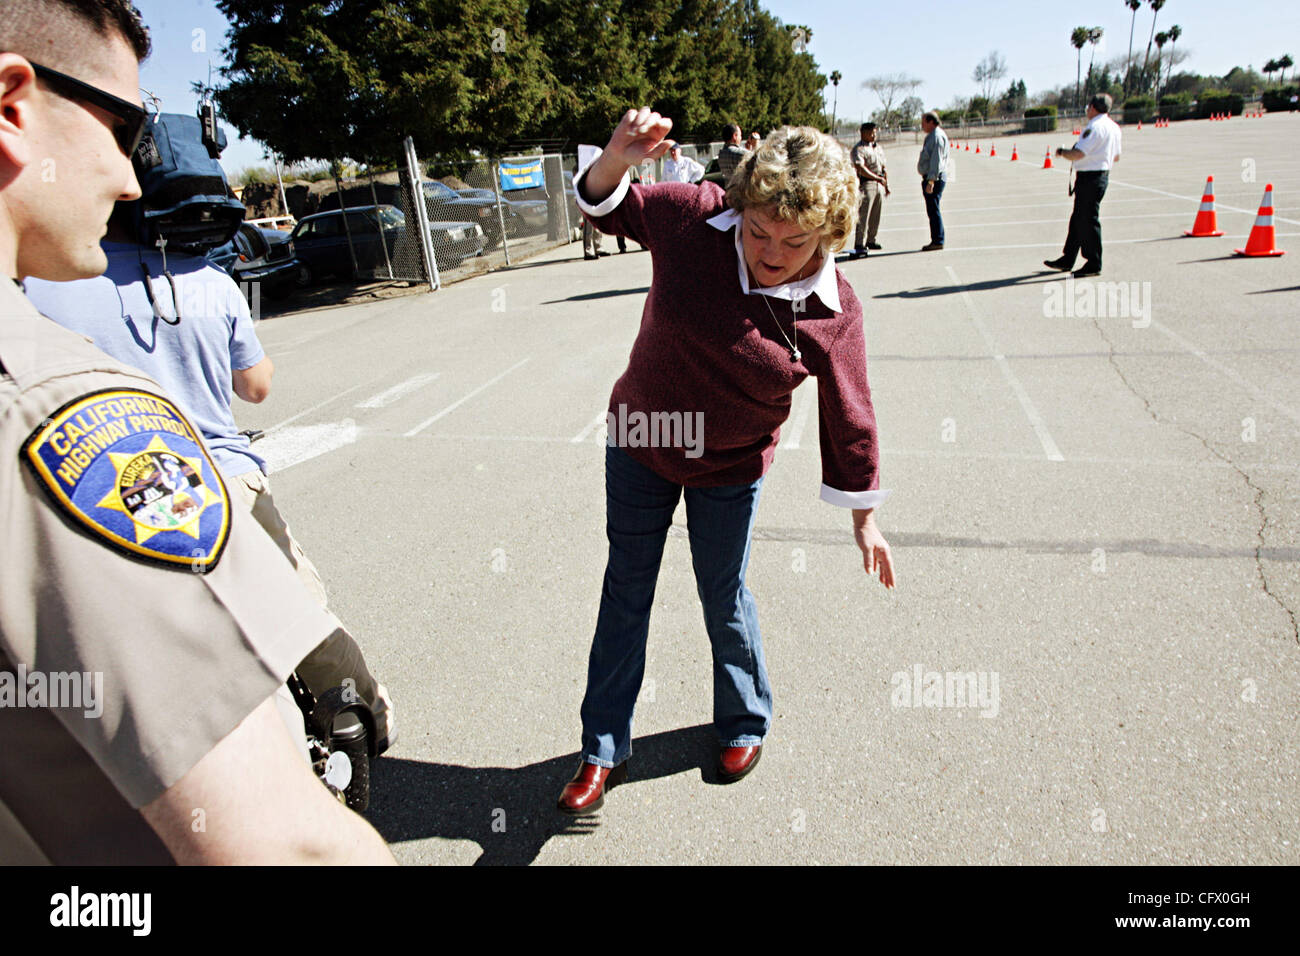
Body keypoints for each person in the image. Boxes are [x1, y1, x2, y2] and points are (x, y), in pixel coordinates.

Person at [0, 0, 394, 864]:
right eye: (117, 126)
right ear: (12, 106)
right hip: (215, 486)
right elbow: (286, 847)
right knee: (331, 682)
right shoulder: (57, 406)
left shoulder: (51, 307)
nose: (129, 176)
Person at [558, 108, 895, 816]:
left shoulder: (834, 315)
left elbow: (851, 416)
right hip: (642, 442)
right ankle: (601, 747)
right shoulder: (693, 220)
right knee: (627, 588)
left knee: (724, 593)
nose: (769, 251)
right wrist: (618, 156)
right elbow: (606, 205)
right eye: (759, 230)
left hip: (732, 465)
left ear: (829, 235)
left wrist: (864, 518)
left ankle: (743, 720)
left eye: (794, 240)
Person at [23, 203, 396, 754]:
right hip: (226, 477)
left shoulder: (40, 291)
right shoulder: (208, 281)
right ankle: (368, 717)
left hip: (118, 501)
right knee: (300, 611)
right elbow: (255, 387)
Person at [1043, 93, 1122, 278]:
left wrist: (1062, 152)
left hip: (1090, 178)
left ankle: (1093, 263)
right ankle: (1068, 258)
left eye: (1088, 106)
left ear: (1093, 107)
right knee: (1079, 218)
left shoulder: (1094, 127)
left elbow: (1078, 154)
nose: (1087, 109)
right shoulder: (1114, 127)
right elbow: (1116, 156)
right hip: (1100, 176)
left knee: (1088, 220)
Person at [849, 122, 889, 257]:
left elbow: (883, 167)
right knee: (863, 215)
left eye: (875, 132)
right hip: (867, 184)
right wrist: (877, 178)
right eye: (871, 132)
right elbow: (860, 168)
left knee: (875, 215)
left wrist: (885, 184)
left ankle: (871, 240)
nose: (874, 135)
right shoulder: (859, 149)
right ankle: (859, 243)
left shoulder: (877, 148)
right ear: (863, 133)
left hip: (879, 184)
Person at [917, 110, 949, 251]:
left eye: (924, 122)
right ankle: (937, 238)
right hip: (933, 177)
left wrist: (931, 181)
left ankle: (937, 240)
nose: (922, 125)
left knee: (933, 210)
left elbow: (936, 161)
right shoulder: (933, 136)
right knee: (932, 210)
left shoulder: (936, 137)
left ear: (931, 122)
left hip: (934, 178)